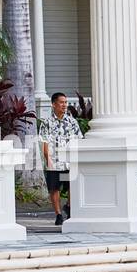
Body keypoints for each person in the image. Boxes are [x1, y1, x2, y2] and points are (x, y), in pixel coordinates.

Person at [38, 92, 82, 226]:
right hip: (54, 161)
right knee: (54, 188)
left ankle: (69, 206)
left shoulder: (72, 121)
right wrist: (48, 160)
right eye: (61, 102)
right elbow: (44, 142)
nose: (64, 105)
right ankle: (58, 214)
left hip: (69, 161)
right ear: (53, 104)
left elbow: (79, 139)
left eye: (65, 102)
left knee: (72, 186)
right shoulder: (47, 122)